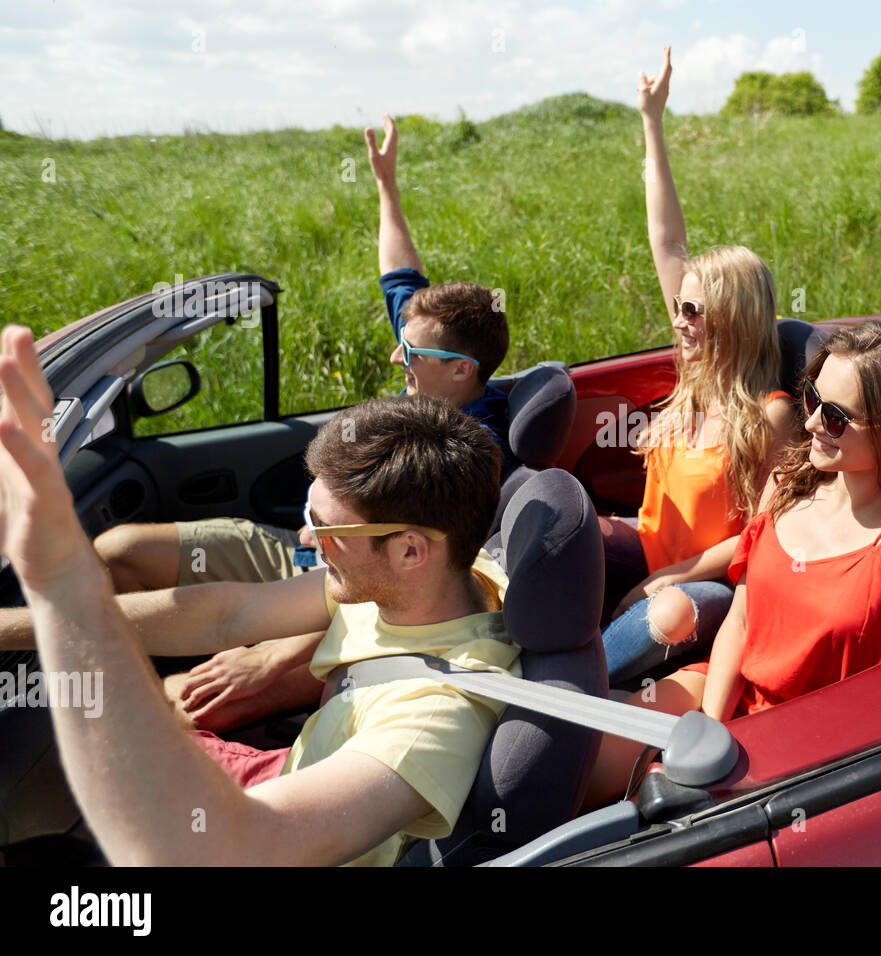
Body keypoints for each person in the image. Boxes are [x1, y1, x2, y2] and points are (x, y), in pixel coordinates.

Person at [0, 336, 517, 866]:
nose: (306, 539)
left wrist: (63, 586)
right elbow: (229, 615)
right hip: (288, 769)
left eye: (325, 526)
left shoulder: (435, 717)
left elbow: (225, 847)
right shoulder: (442, 577)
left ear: (410, 549)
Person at [89, 113, 514, 732]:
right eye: (403, 341)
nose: (397, 355)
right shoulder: (430, 362)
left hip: (355, 591)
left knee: (177, 705)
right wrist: (387, 185)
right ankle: (91, 670)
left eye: (412, 353)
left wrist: (272, 656)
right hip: (307, 551)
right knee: (116, 551)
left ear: (461, 371)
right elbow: (400, 275)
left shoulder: (474, 457)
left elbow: (405, 585)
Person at [585, 308, 881, 805]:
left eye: (835, 416)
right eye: (813, 397)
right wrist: (711, 725)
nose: (811, 420)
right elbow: (742, 620)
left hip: (796, 749)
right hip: (723, 697)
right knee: (578, 761)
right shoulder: (794, 482)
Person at [600, 46, 796, 684]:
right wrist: (652, 123)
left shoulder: (772, 415)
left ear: (733, 323)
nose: (680, 321)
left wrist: (670, 576)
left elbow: (761, 538)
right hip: (655, 556)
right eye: (681, 307)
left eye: (697, 313)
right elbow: (666, 239)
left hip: (709, 586)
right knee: (572, 528)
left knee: (674, 610)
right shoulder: (696, 376)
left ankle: (575, 689)